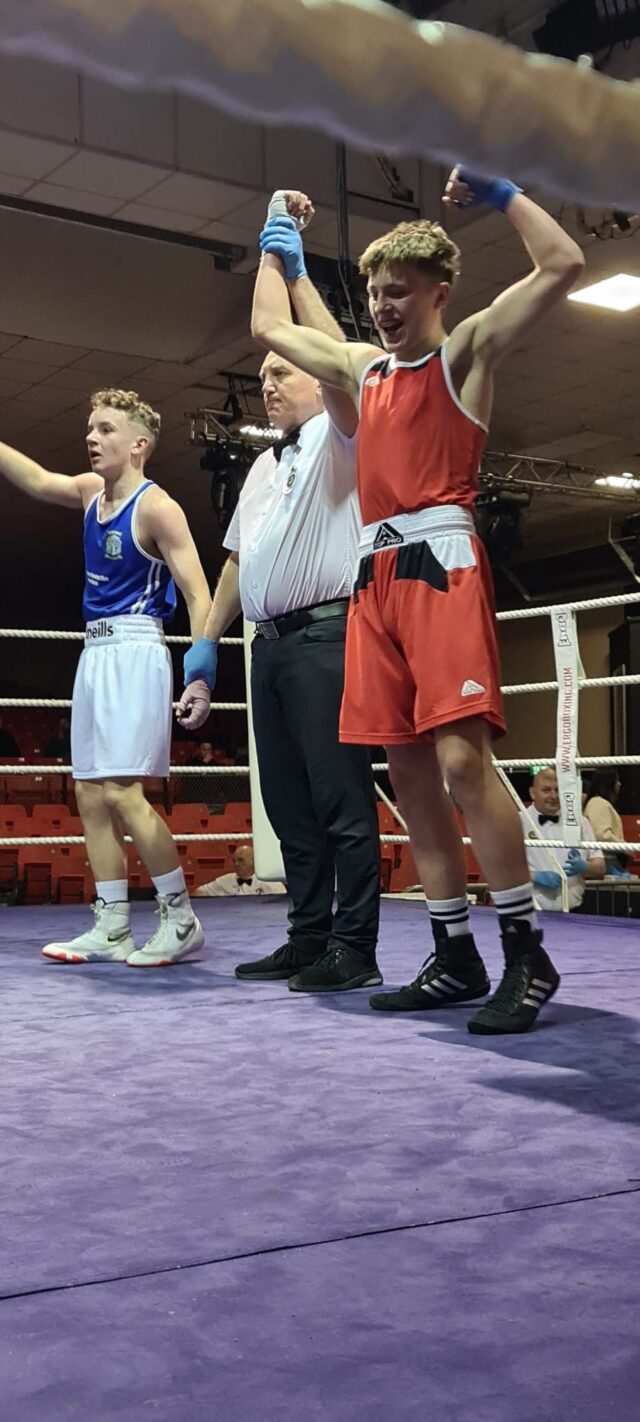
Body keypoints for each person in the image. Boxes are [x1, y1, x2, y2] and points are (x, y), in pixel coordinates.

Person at [253, 169, 585, 1033]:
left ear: (437, 291)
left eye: (397, 292)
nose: (381, 307)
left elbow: (563, 265)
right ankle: (454, 954)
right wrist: (272, 243)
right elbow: (266, 326)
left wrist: (507, 195)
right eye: (372, 293)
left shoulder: (463, 351)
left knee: (463, 765)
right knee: (405, 775)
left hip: (442, 565)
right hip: (373, 582)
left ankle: (525, 952)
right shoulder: (363, 372)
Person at [179, 192, 381, 993]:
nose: (265, 383)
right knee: (291, 810)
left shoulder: (343, 434)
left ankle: (356, 946)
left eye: (278, 370)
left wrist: (288, 261)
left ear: (315, 374)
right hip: (267, 647)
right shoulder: (264, 466)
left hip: (329, 638)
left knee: (339, 800)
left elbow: (339, 354)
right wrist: (203, 649)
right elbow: (235, 564)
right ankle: (308, 937)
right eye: (259, 375)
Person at [0, 388, 212, 966]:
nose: (92, 438)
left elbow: (198, 592)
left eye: (105, 429)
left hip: (139, 649)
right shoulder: (93, 494)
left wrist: (200, 673)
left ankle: (180, 917)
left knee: (123, 790)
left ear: (138, 444)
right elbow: (42, 481)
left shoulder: (158, 507)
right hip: (94, 653)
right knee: (90, 795)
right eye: (90, 427)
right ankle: (113, 924)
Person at [522, 768, 604, 911]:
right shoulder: (518, 821)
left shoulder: (580, 822)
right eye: (546, 790)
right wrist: (533, 876)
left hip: (575, 912)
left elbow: (600, 868)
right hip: (531, 912)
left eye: (558, 790)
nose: (554, 796)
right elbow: (500, 868)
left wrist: (585, 867)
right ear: (533, 793)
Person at [584, 770, 633, 876]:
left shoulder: (599, 803)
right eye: (617, 780)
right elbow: (602, 835)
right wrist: (625, 847)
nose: (619, 784)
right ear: (609, 783)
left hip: (608, 859)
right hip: (606, 860)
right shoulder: (599, 803)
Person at [195, 844, 286, 897]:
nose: (236, 864)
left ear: (254, 861)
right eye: (234, 861)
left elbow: (282, 901)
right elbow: (198, 892)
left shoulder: (270, 882)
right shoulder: (225, 881)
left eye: (241, 860)